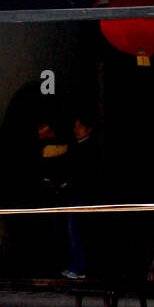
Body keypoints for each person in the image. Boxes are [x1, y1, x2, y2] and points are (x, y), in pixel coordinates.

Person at [62, 113, 100, 280]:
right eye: (75, 126)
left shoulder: (88, 149)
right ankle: (78, 266)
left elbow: (83, 176)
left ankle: (80, 267)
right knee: (75, 232)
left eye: (79, 127)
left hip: (81, 196)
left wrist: (68, 184)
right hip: (76, 194)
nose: (76, 130)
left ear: (88, 129)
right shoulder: (78, 147)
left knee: (77, 231)